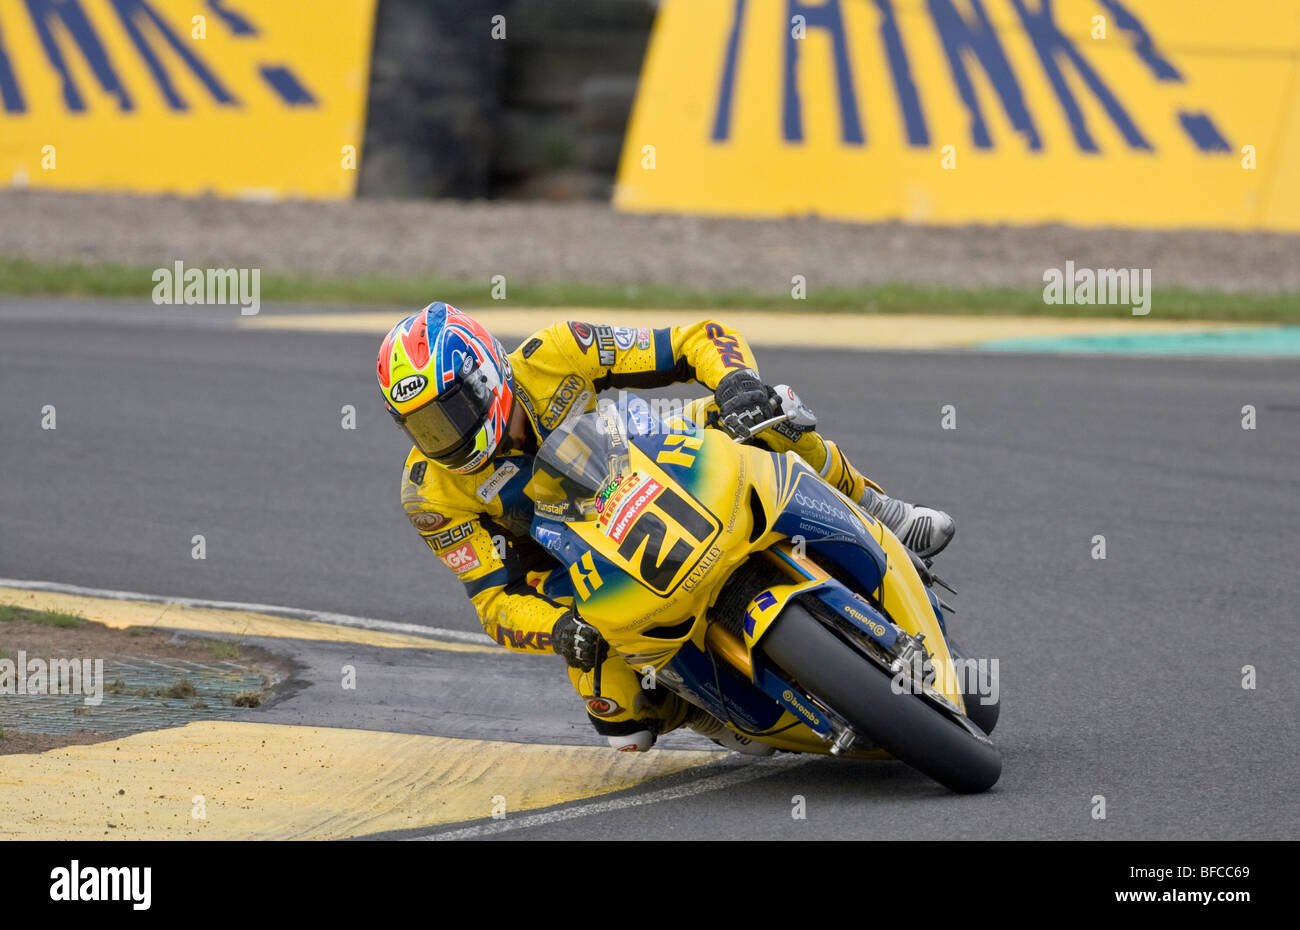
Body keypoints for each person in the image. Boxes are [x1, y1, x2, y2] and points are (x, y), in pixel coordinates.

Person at [377, 302, 954, 752]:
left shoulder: (555, 352)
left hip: (655, 465)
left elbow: (692, 340)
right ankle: (708, 710)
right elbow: (493, 604)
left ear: (487, 377)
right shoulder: (428, 493)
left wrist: (734, 382)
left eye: (446, 414)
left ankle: (878, 509)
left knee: (769, 415)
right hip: (578, 567)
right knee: (619, 718)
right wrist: (558, 630)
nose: (441, 439)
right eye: (420, 426)